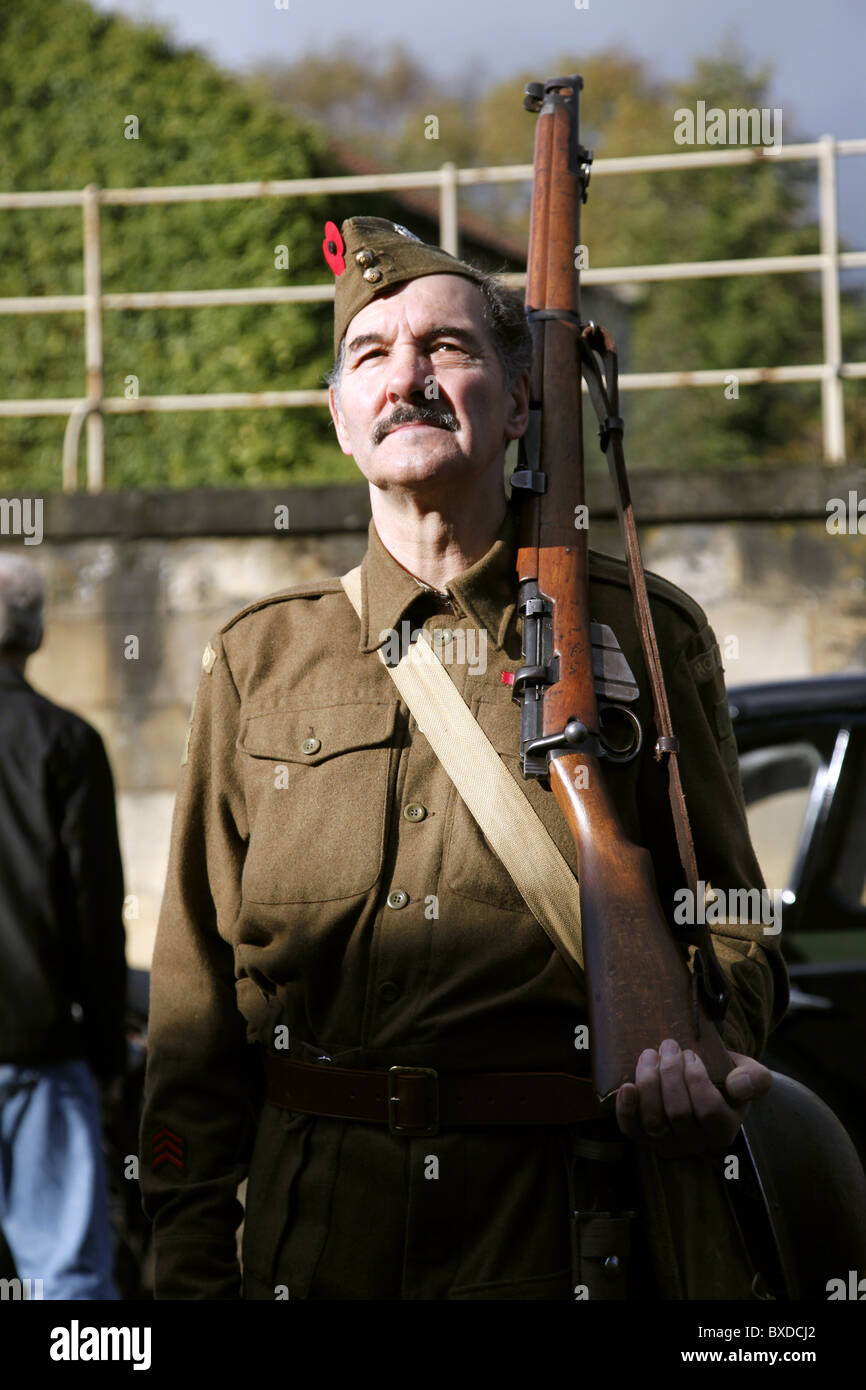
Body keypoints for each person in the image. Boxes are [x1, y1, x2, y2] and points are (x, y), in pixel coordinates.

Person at [140, 217, 788, 1300]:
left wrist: (705, 1041)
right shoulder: (258, 655)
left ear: (522, 400)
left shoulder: (642, 631)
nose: (407, 379)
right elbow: (193, 1008)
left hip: (566, 1228)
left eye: (446, 349)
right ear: (340, 421)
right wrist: (187, 1270)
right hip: (317, 1233)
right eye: (370, 356)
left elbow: (733, 916)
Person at [0, 553, 126, 1300]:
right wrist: (106, 1048)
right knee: (68, 1278)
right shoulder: (68, 742)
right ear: (37, 630)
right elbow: (94, 912)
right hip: (37, 1046)